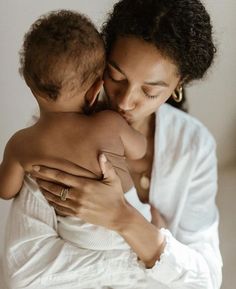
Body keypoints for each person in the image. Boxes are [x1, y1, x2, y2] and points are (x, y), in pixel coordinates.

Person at [2, 0, 222, 288]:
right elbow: (25, 274)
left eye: (149, 91)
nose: (124, 101)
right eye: (116, 77)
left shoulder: (193, 146)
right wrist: (149, 251)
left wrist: (123, 218)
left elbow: (206, 279)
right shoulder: (50, 144)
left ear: (179, 83)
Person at [0, 9, 154, 289]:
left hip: (76, 238)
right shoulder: (109, 123)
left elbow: (5, 190)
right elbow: (140, 150)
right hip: (128, 227)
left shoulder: (21, 144)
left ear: (29, 84)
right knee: (151, 221)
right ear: (96, 88)